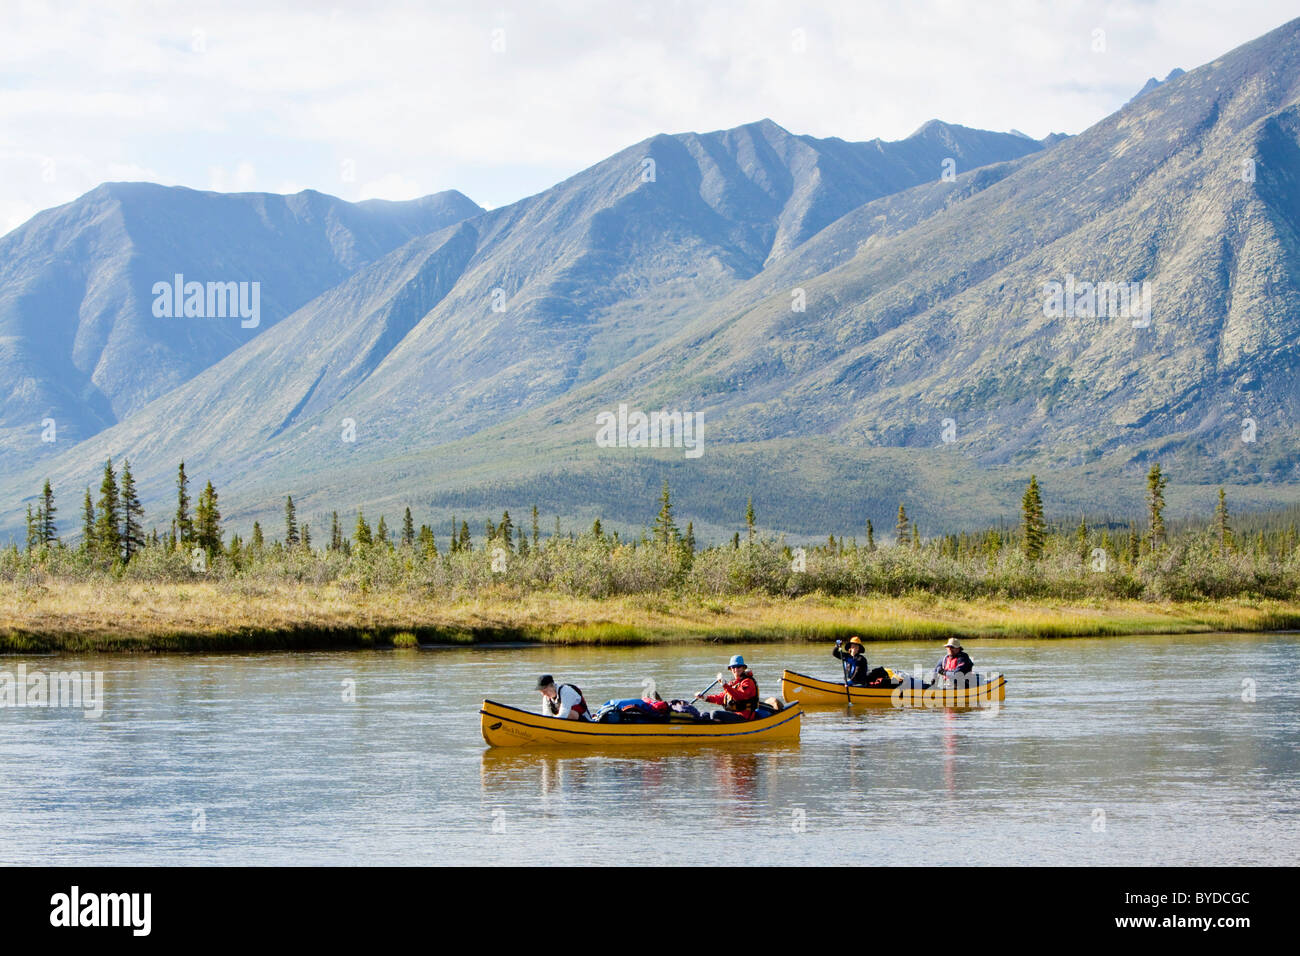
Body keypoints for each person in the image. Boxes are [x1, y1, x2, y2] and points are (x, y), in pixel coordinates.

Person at [701, 655, 759, 721]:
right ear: (731, 669)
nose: (736, 669)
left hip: (744, 717)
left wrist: (724, 685)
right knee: (704, 715)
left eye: (738, 667)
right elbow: (721, 698)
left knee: (714, 714)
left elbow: (739, 696)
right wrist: (705, 698)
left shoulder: (748, 682)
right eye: (733, 667)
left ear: (743, 668)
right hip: (734, 714)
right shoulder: (732, 683)